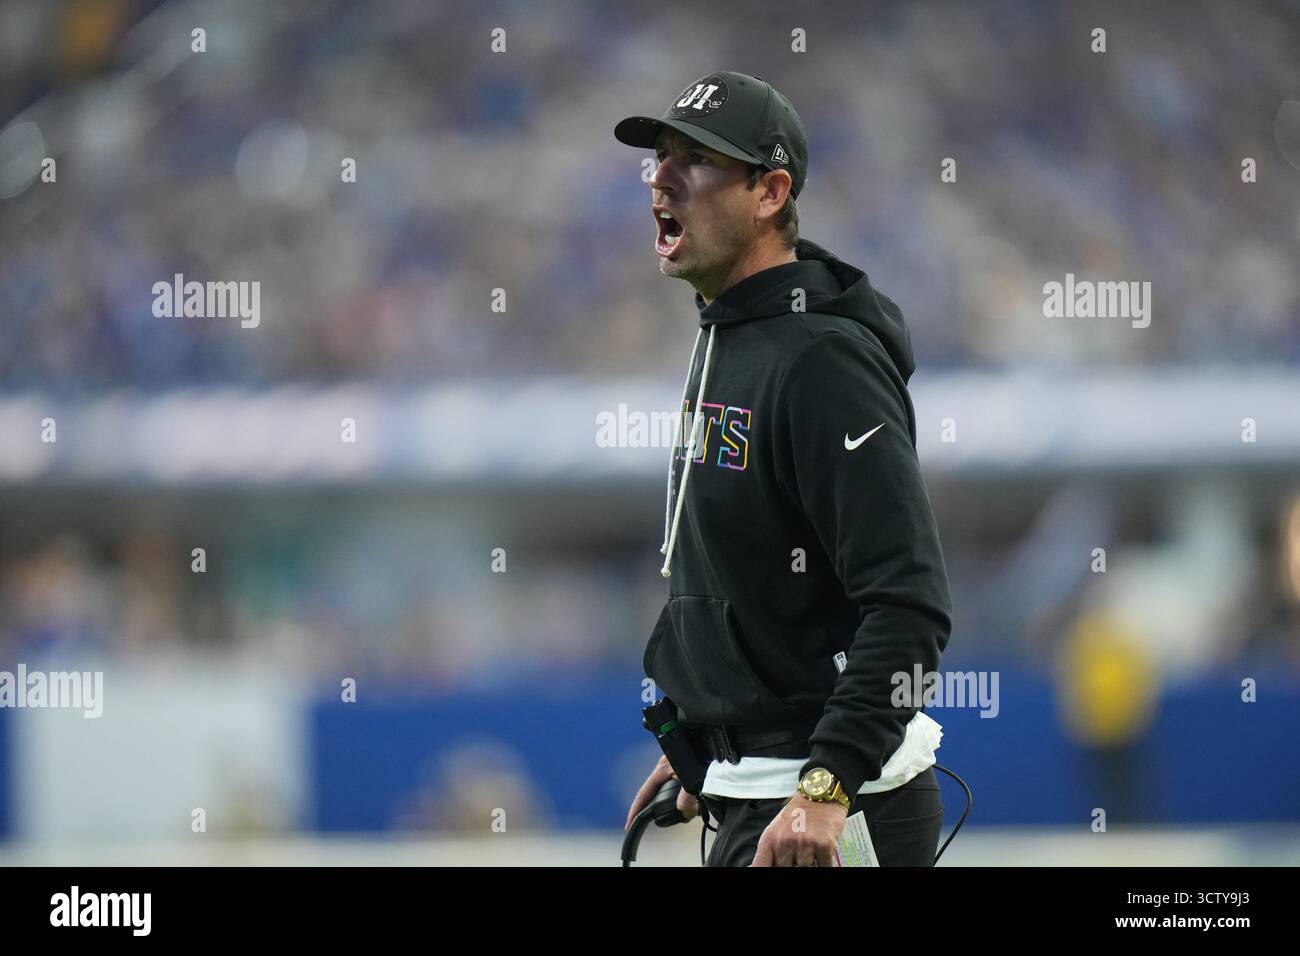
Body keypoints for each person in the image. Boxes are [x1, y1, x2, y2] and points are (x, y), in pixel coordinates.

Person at [616, 72, 953, 866]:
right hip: (759, 789)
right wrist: (715, 733)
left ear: (770, 192)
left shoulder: (821, 359)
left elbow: (910, 605)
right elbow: (755, 577)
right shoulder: (731, 333)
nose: (661, 177)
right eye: (658, 158)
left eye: (694, 160)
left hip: (827, 809)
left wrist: (827, 784)